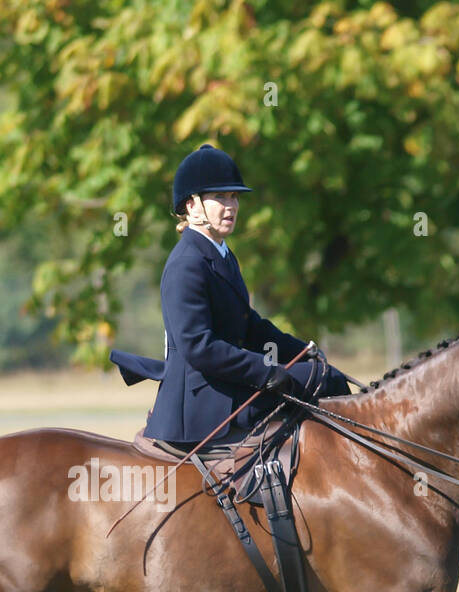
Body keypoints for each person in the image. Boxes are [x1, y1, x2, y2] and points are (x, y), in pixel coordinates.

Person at [111, 144, 352, 450]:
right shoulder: (186, 263)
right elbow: (199, 347)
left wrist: (302, 351)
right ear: (192, 206)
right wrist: (266, 371)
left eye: (234, 197)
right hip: (203, 401)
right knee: (324, 383)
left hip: (225, 384)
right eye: (220, 197)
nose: (231, 206)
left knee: (325, 375)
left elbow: (249, 326)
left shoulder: (222, 254)